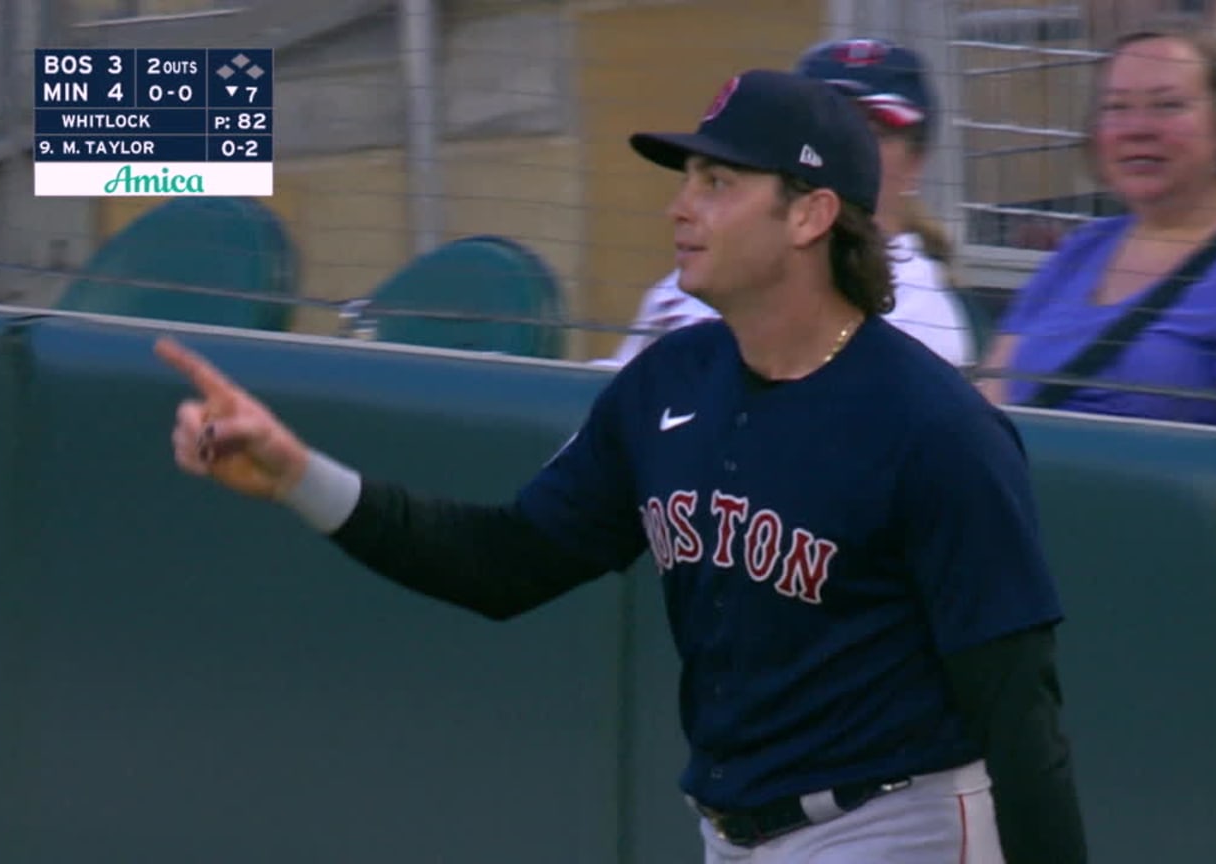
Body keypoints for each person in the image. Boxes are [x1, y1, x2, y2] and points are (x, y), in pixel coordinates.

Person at [157, 69, 1086, 863]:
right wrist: (297, 475)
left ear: (810, 213)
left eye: (718, 181)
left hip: (896, 825)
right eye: (688, 178)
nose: (681, 206)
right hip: (735, 830)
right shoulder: (669, 381)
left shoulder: (933, 427)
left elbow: (1020, 715)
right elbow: (504, 564)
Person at [976, 26, 1216, 430]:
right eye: (1116, 107)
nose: (1137, 128)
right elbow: (986, 409)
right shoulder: (1082, 250)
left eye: (1168, 105)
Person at [602, 38, 974, 369]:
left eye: (870, 132)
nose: (839, 146)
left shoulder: (923, 316)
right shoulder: (701, 276)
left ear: (915, 161)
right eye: (821, 126)